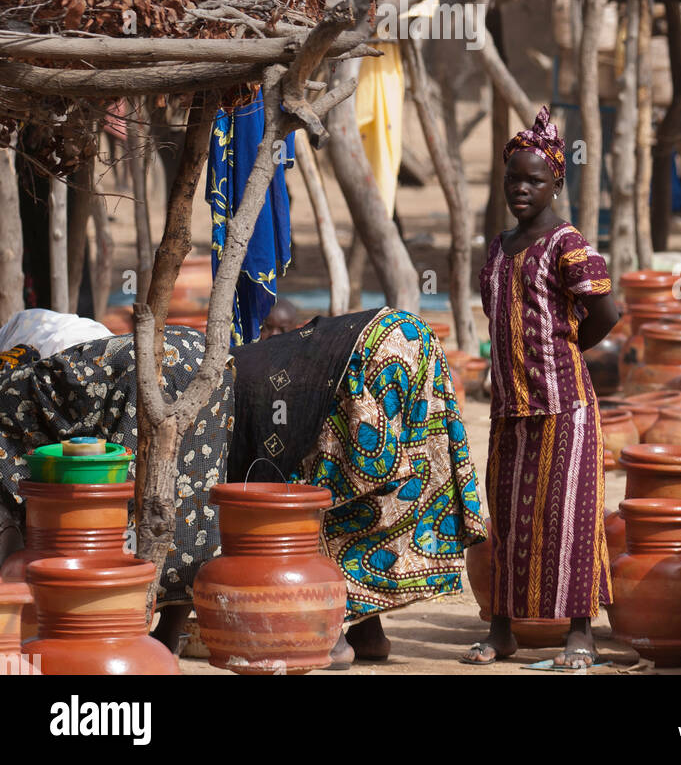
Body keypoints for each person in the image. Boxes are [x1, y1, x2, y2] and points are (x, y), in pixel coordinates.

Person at [0, 305, 485, 665]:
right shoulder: (114, 360)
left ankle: (326, 636)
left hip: (343, 359)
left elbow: (154, 506)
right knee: (312, 503)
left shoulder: (33, 381)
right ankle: (362, 634)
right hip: (386, 335)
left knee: (275, 507)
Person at [461, 106, 619, 668]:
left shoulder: (566, 242)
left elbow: (607, 309)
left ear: (556, 182)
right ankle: (502, 628)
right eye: (513, 179)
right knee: (507, 520)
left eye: (533, 180)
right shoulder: (499, 247)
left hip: (564, 405)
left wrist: (567, 351)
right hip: (510, 409)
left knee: (569, 516)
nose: (521, 189)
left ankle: (581, 632)